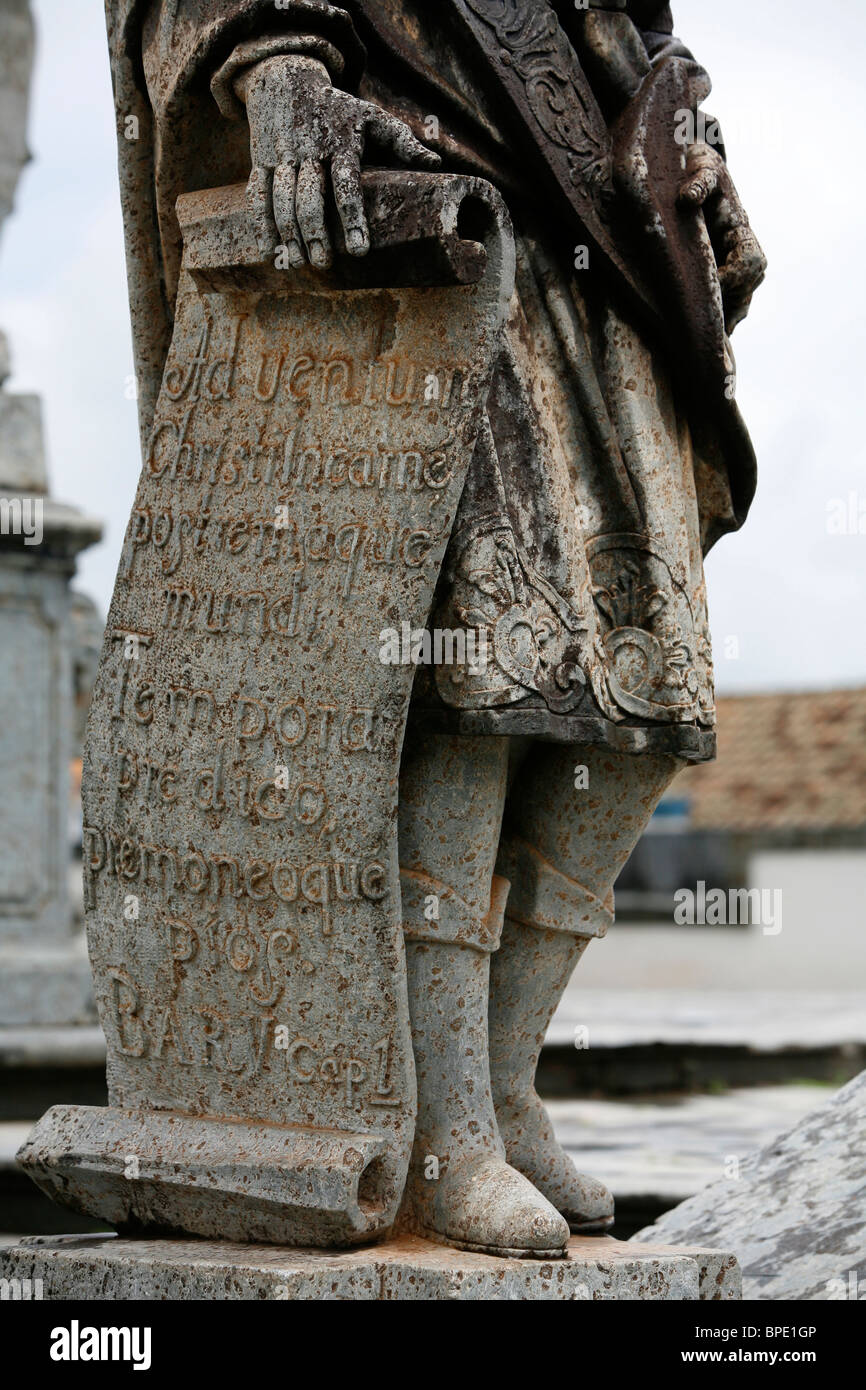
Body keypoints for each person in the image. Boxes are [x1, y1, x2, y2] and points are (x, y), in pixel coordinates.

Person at [105, 0, 765, 1256]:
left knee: (643, 704)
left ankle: (505, 1078)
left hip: (596, 214)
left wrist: (684, 136)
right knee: (478, 674)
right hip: (430, 180)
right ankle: (440, 1128)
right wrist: (270, 57)